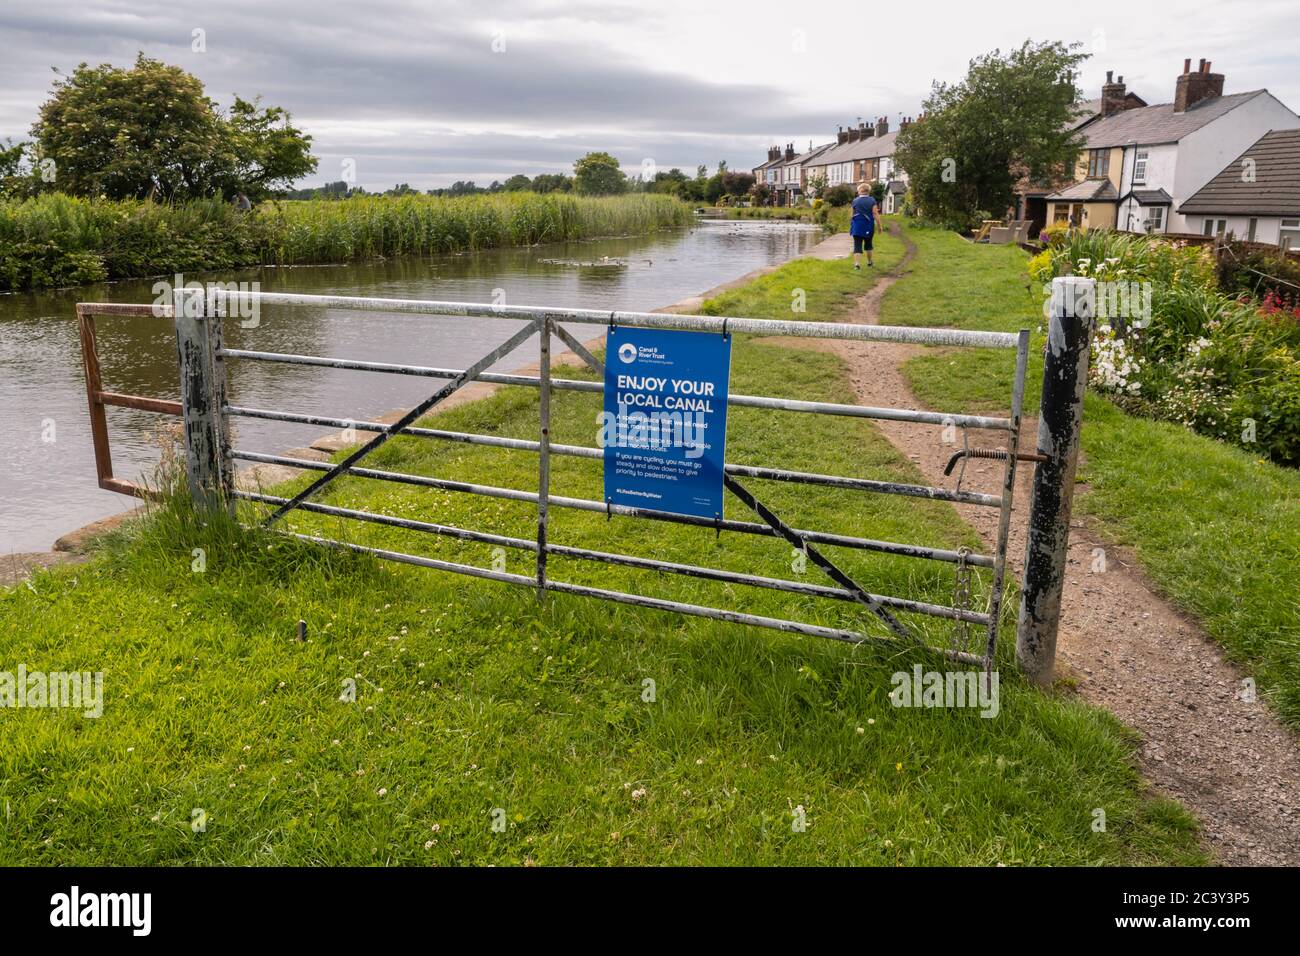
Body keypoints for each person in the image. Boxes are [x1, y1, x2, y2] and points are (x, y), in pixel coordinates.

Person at [850, 182, 878, 270]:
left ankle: (857, 265)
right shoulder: (872, 200)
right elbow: (875, 213)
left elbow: (851, 215)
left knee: (857, 245)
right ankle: (869, 262)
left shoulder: (855, 201)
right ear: (868, 191)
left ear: (859, 191)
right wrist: (880, 226)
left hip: (857, 226)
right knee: (868, 244)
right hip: (868, 225)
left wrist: (852, 225)